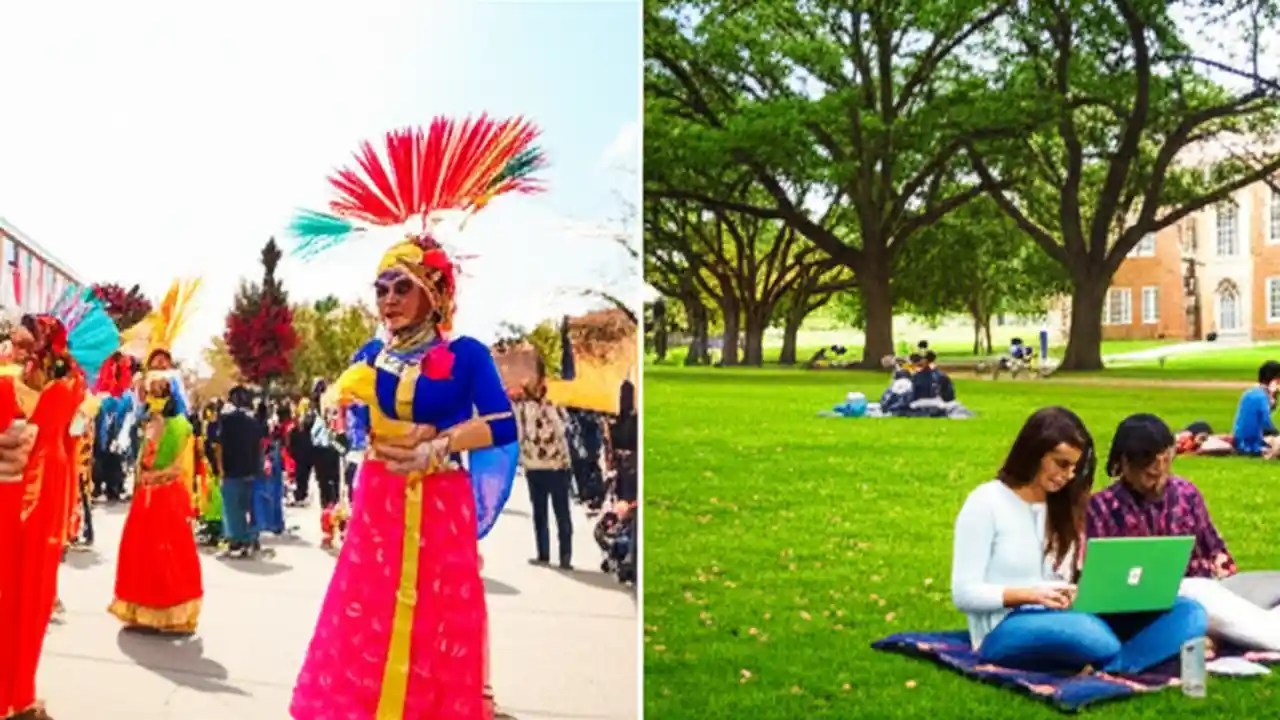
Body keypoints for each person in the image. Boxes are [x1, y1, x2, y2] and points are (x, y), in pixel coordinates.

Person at [288, 115, 538, 720]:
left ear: (434, 292)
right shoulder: (369, 355)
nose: (389, 299)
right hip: (380, 499)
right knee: (367, 611)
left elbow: (502, 425)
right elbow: (338, 408)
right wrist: (340, 405)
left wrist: (441, 443)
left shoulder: (467, 354)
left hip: (440, 500)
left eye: (401, 286)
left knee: (438, 617)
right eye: (380, 288)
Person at [951, 406, 1207, 673]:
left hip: (1068, 614)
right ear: (1034, 452)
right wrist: (1032, 595)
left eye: (1075, 467)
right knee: (1093, 635)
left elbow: (1065, 580)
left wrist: (1088, 592)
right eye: (1061, 464)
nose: (1069, 475)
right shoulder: (987, 501)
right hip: (1006, 624)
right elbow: (964, 593)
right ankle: (1116, 657)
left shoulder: (1063, 508)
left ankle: (1114, 665)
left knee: (1190, 612)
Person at [1089, 413, 1280, 651]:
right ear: (1124, 464)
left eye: (1166, 466)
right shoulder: (1101, 508)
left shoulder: (1185, 494)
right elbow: (1096, 580)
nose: (1159, 479)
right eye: (1149, 474)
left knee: (1208, 594)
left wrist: (1215, 566)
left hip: (1198, 595)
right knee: (1199, 596)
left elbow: (1216, 553)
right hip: (1133, 612)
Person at [0, 314, 88, 720]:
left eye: (25, 343)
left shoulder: (60, 389)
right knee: (18, 596)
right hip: (23, 494)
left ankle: (19, 693)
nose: (16, 350)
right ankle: (15, 695)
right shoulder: (58, 388)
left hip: (38, 495)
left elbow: (74, 441)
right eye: (14, 341)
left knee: (30, 599)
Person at [109, 355, 203, 634]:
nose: (152, 396)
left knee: (169, 554)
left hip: (168, 497)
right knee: (140, 552)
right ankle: (142, 611)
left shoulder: (181, 428)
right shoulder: (146, 424)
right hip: (145, 499)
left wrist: (155, 476)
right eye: (151, 391)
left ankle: (173, 614)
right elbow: (141, 460)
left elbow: (180, 468)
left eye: (158, 390)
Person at [514, 370, 575, 569]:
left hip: (553, 466)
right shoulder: (524, 407)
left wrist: (550, 409)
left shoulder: (553, 404)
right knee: (544, 512)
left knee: (558, 512)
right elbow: (521, 433)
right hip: (539, 466)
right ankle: (547, 554)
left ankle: (561, 555)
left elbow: (562, 428)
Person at [219, 386, 265, 558]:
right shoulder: (254, 421)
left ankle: (236, 542)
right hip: (250, 469)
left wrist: (220, 468)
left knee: (233, 508)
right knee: (250, 506)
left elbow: (218, 445)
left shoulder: (226, 420)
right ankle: (251, 538)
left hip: (231, 469)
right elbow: (260, 446)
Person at [1231, 360, 1280, 457]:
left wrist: (1273, 396)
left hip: (1240, 441)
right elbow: (1266, 425)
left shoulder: (1250, 392)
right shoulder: (1262, 397)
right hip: (1253, 445)